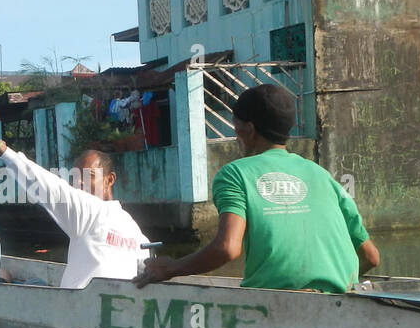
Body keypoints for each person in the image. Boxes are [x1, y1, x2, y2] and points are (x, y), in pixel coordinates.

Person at [137, 84, 379, 292]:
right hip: (340, 303)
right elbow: (370, 257)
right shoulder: (321, 174)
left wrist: (170, 268)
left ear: (249, 130)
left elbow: (228, 248)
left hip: (276, 307)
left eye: (236, 126)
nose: (235, 133)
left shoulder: (235, 174)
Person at [0, 99, 149, 289]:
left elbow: (46, 184)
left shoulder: (99, 214)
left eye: (90, 175)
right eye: (77, 176)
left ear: (110, 180)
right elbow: (147, 262)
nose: (80, 181)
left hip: (80, 310)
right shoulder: (132, 227)